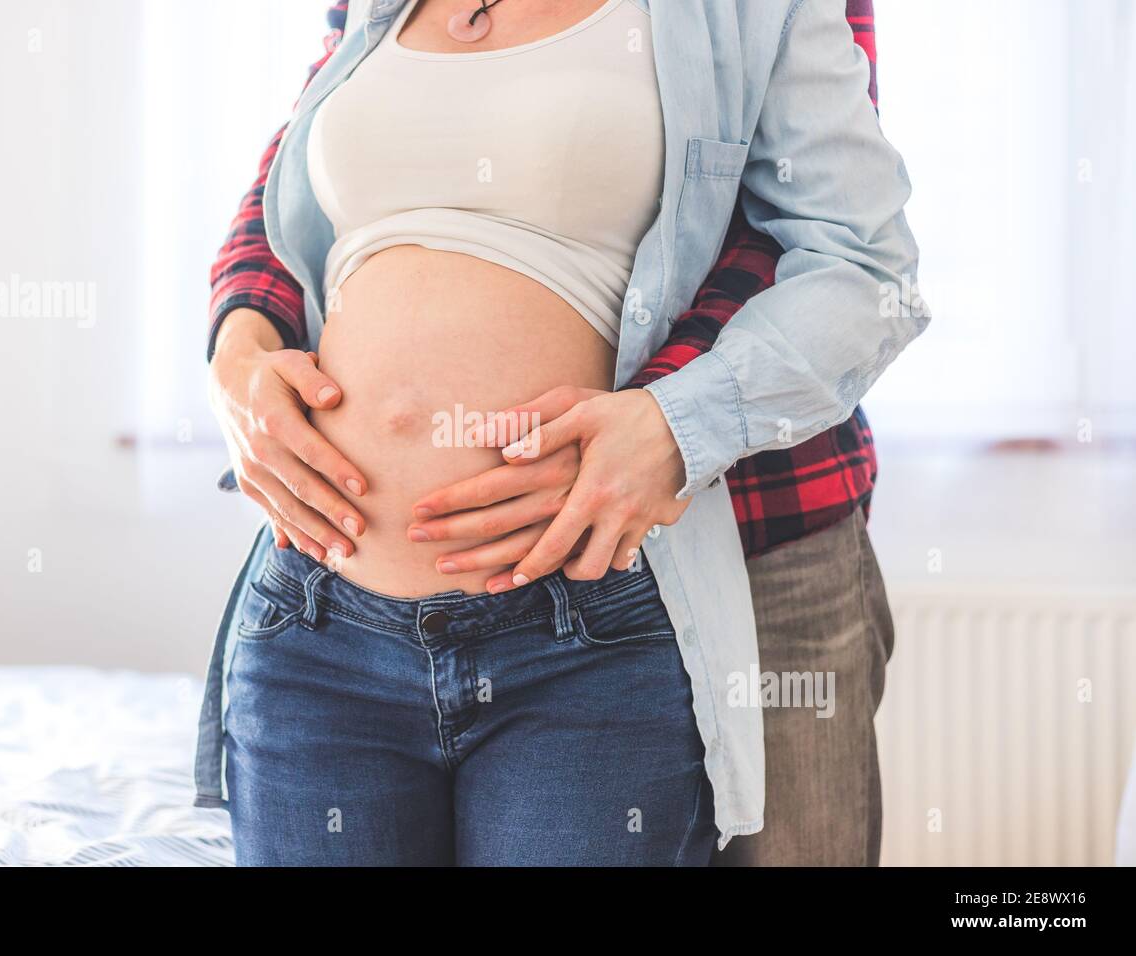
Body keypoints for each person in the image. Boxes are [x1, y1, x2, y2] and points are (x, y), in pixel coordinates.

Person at [196, 0, 924, 866]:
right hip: (322, 614)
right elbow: (304, 174)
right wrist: (238, 344)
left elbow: (806, 239)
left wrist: (664, 422)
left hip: (658, 562)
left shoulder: (740, 18)